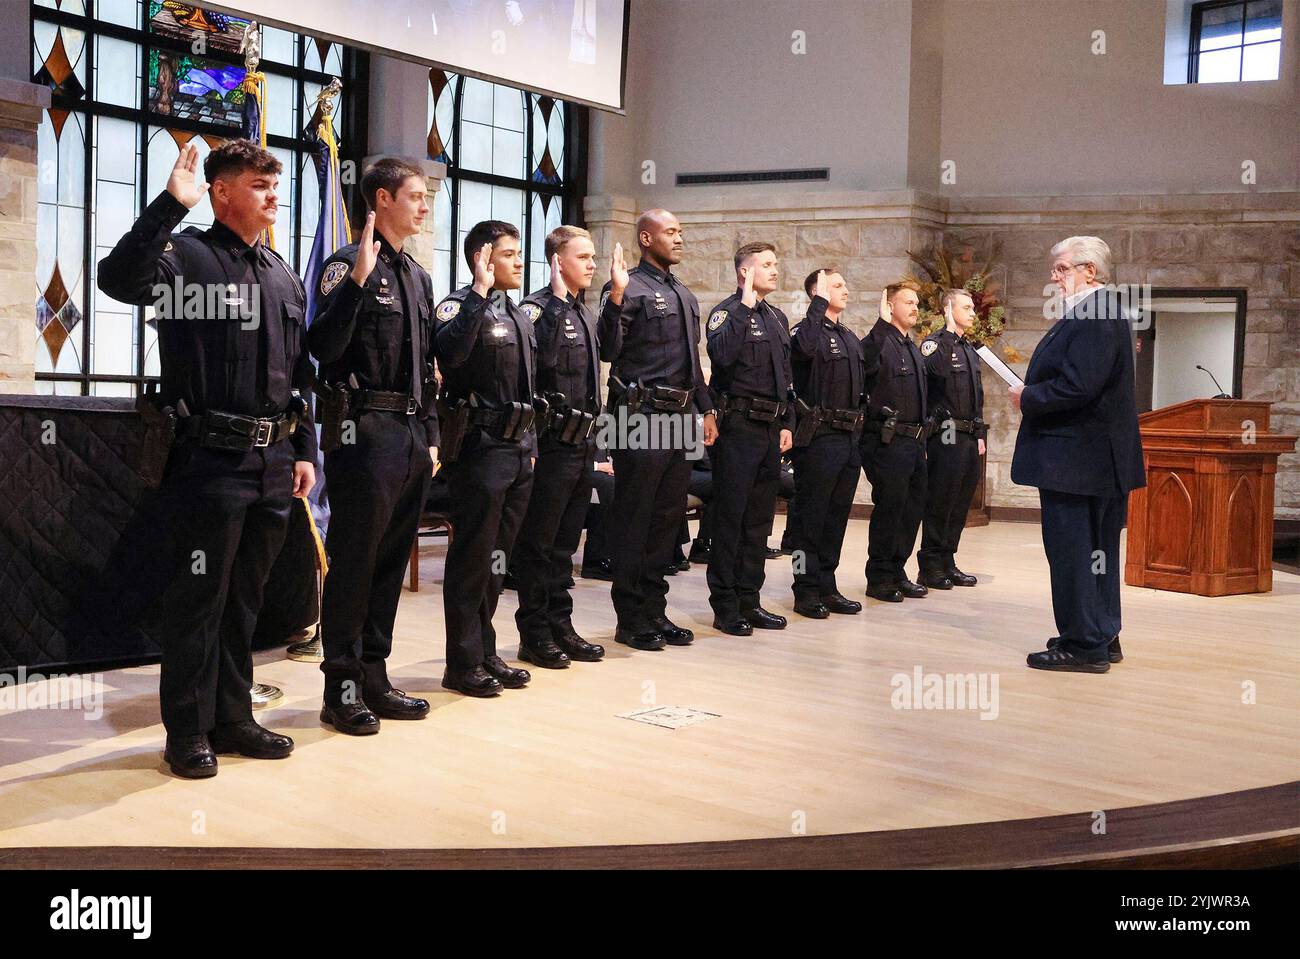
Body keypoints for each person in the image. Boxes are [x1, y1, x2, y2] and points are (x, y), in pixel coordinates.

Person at [98, 139, 316, 778]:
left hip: (273, 462)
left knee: (246, 600)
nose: (274, 196)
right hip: (209, 462)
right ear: (221, 192)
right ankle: (187, 731)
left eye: (276, 186)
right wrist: (170, 204)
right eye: (259, 186)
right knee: (200, 600)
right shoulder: (185, 256)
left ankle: (234, 717)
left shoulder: (280, 271)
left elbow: (298, 372)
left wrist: (302, 448)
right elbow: (119, 279)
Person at [308, 157, 439, 734]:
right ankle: (340, 688)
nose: (424, 205)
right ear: (381, 199)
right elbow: (324, 349)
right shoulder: (345, 266)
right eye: (414, 196)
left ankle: (375, 675)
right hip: (362, 432)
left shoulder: (417, 275)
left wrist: (431, 435)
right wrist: (358, 283)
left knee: (388, 561)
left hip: (409, 434)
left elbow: (426, 369)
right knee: (356, 561)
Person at [1010, 236, 1144, 673]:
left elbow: (1078, 386)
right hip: (1094, 460)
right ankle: (1101, 635)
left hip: (1077, 460)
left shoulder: (1094, 312)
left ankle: (1083, 645)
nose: (1054, 277)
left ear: (1091, 270)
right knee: (1096, 552)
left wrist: (1028, 395)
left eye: (1062, 268)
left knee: (1073, 552)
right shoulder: (1106, 310)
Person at [600, 209, 718, 651]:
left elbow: (693, 365)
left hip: (682, 416)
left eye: (681, 231)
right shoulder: (628, 286)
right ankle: (630, 618)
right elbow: (607, 348)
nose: (679, 238)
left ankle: (655, 609)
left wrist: (706, 410)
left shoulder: (684, 294)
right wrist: (614, 296)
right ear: (646, 238)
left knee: (667, 521)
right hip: (640, 417)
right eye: (671, 232)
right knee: (636, 517)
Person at [433, 220, 537, 696]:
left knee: (498, 560)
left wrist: (530, 448)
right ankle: (461, 662)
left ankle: (486, 650)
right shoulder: (458, 304)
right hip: (479, 450)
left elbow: (527, 389)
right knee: (472, 559)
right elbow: (450, 356)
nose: (519, 260)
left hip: (517, 451)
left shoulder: (514, 312)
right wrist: (477, 291)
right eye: (510, 253)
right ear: (482, 257)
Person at [512, 226, 622, 667]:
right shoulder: (537, 310)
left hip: (582, 444)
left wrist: (616, 297)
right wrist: (557, 305)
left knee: (564, 544)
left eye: (594, 257)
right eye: (583, 257)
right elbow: (542, 365)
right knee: (539, 544)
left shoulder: (586, 312)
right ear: (558, 262)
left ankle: (561, 624)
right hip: (551, 444)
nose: (592, 264)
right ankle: (534, 633)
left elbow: (612, 350)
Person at [704, 242, 794, 635]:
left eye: (776, 264)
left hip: (770, 429)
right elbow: (721, 357)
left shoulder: (776, 317)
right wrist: (743, 306)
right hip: (738, 427)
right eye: (767, 265)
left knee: (759, 521)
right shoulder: (726, 312)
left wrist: (788, 421)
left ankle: (749, 599)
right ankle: (725, 605)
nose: (775, 271)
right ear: (745, 272)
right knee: (731, 518)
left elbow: (785, 377)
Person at [787, 268, 865, 618]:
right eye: (836, 285)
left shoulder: (848, 335)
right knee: (810, 520)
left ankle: (827, 584)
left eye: (844, 283)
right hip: (818, 439)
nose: (845, 290)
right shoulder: (806, 332)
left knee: (835, 518)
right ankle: (804, 589)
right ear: (817, 292)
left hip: (848, 439)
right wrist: (817, 304)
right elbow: (802, 351)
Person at [860, 282, 928, 603]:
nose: (915, 308)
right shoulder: (878, 342)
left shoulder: (911, 346)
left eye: (917, 303)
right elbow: (865, 364)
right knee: (890, 507)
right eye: (908, 302)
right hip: (887, 442)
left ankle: (897, 569)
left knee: (911, 508)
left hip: (914, 442)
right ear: (889, 306)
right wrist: (880, 323)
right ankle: (879, 576)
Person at [916, 288, 986, 590]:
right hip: (945, 435)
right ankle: (929, 565)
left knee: (960, 504)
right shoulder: (935, 344)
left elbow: (977, 396)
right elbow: (933, 375)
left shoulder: (970, 349)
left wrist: (980, 433)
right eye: (966, 307)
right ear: (948, 309)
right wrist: (945, 332)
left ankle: (947, 560)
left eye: (973, 307)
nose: (973, 313)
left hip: (969, 435)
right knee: (940, 501)